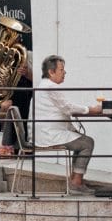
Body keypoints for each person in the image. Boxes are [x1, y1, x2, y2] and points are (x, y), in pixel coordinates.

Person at [32, 54, 102, 193]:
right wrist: (91, 109)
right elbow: (67, 108)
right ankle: (76, 183)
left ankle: (76, 179)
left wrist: (73, 129)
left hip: (43, 132)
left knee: (81, 140)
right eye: (61, 70)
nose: (65, 72)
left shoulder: (44, 86)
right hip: (48, 134)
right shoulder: (50, 87)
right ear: (51, 72)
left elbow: (62, 111)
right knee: (87, 143)